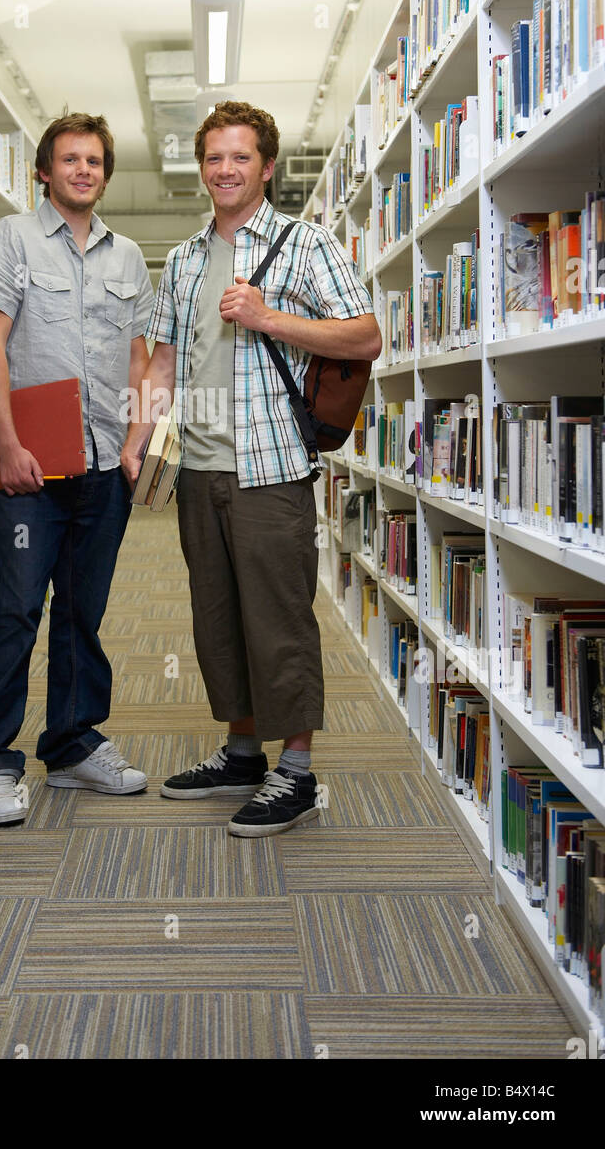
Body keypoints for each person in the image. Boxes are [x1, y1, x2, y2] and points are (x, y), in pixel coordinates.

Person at [121, 101, 381, 837]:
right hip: (198, 469)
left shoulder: (305, 244)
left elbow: (365, 335)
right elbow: (166, 359)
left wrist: (271, 319)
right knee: (218, 620)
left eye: (240, 157)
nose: (225, 170)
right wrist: (141, 436)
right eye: (213, 157)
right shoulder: (183, 259)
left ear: (267, 167)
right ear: (200, 167)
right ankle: (241, 751)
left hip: (272, 469)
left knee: (279, 621)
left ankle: (294, 773)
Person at [0, 112, 154, 823]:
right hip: (33, 473)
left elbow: (139, 359)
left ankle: (70, 746)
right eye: (70, 159)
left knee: (83, 616)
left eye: (95, 160)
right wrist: (6, 447)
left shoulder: (128, 258)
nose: (84, 170)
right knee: (14, 615)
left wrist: (136, 440)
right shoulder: (15, 238)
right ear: (45, 170)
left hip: (104, 469)